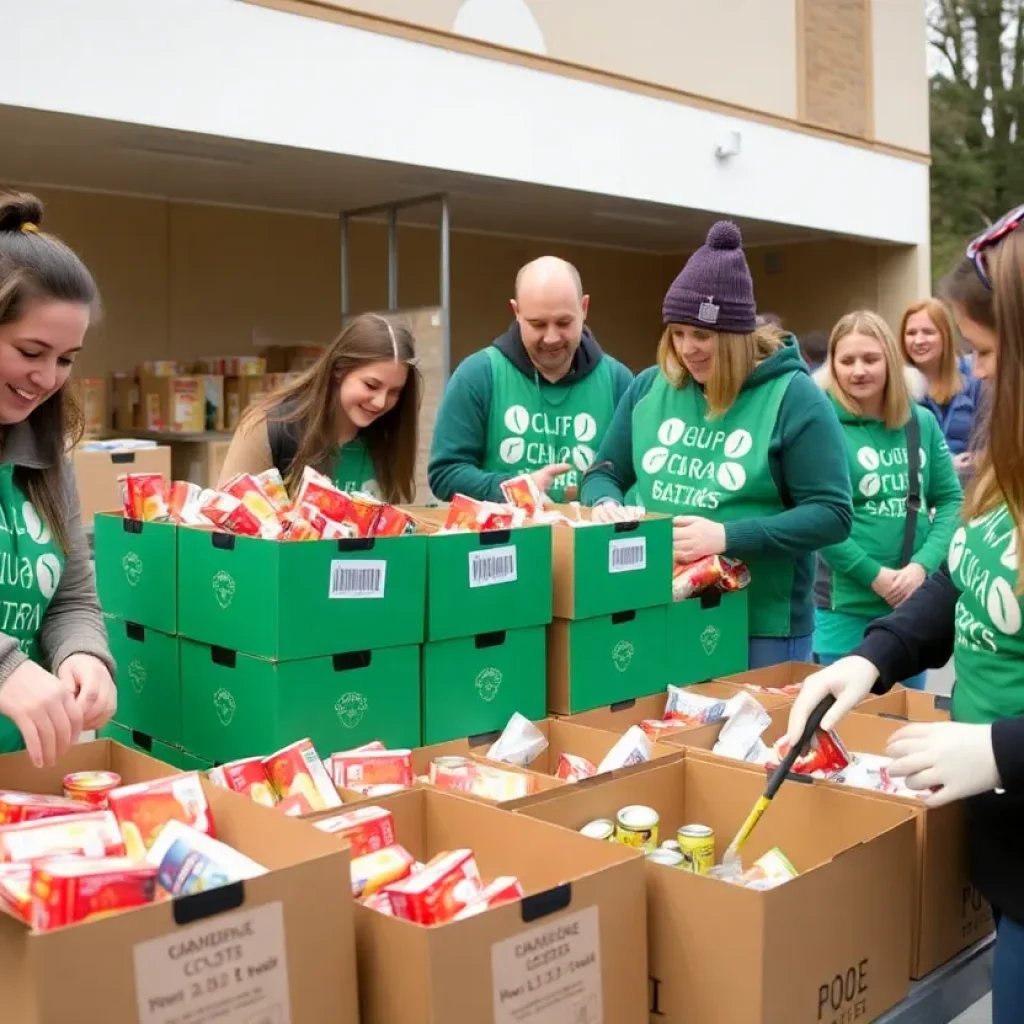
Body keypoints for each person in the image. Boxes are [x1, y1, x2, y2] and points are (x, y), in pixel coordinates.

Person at [787, 203, 1024, 1024]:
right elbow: (964, 579)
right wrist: (873, 657)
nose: (977, 375)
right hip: (1004, 844)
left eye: (987, 353)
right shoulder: (1009, 466)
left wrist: (999, 746)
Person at [580, 221, 853, 669]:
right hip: (658, 606)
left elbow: (832, 514)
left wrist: (727, 536)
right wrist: (605, 502)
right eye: (677, 333)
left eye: (702, 335)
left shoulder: (794, 397)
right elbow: (603, 471)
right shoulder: (651, 386)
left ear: (736, 335)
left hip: (760, 624)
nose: (688, 349)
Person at [0, 191, 117, 766]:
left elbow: (70, 593)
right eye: (30, 351)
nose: (47, 378)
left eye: (67, 358)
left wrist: (84, 655)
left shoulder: (45, 454)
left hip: (19, 766)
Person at [811, 310, 962, 687]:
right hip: (842, 610)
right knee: (842, 725)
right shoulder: (819, 424)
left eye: (870, 359)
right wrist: (875, 576)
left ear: (890, 362)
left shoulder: (920, 422)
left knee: (901, 727)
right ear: (832, 365)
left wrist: (921, 569)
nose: (858, 371)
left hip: (911, 611)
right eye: (846, 361)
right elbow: (817, 516)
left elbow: (949, 500)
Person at [427, 256, 633, 504]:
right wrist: (514, 490)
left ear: (584, 308)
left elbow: (632, 474)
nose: (551, 337)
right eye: (537, 324)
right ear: (516, 312)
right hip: (504, 541)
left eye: (564, 322)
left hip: (590, 542)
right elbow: (444, 474)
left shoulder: (618, 381)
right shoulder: (477, 374)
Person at [219, 313, 420, 501]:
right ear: (338, 370)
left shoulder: (391, 436)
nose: (380, 402)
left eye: (394, 391)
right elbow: (227, 518)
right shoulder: (270, 429)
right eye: (371, 385)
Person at [900, 297, 983, 474]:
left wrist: (977, 459)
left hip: (970, 483)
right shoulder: (897, 386)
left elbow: (989, 436)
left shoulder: (973, 378)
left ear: (945, 335)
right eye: (911, 333)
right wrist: (948, 463)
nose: (918, 340)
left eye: (928, 332)